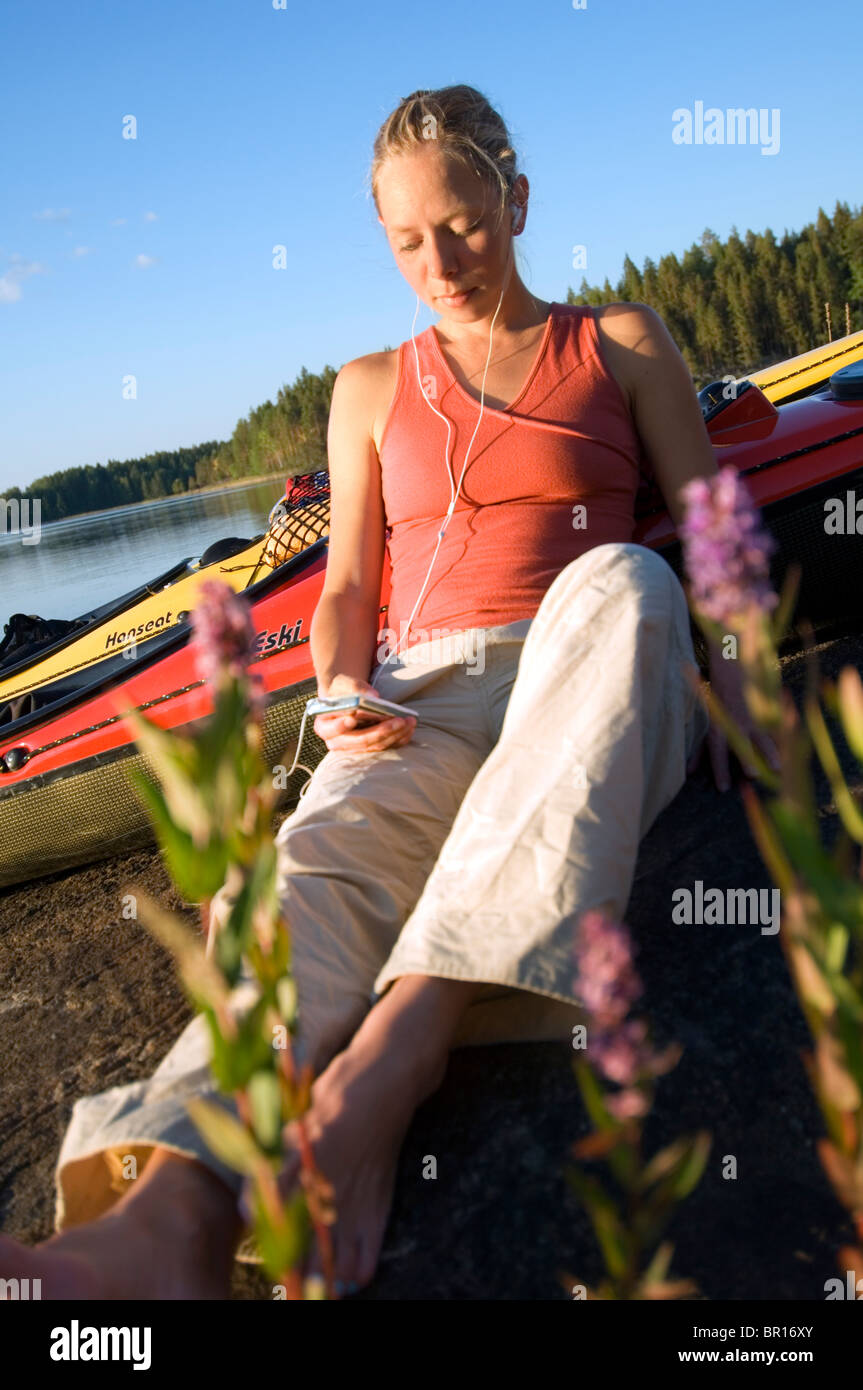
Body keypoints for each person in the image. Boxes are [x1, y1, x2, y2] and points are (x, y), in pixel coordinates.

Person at [0, 84, 773, 1300]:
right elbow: (348, 585)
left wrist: (740, 680)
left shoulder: (617, 343)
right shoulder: (368, 386)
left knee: (623, 575)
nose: (441, 263)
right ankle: (168, 1217)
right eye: (407, 240)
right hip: (417, 693)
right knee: (312, 880)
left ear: (515, 201)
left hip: (580, 675)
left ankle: (393, 1060)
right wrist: (340, 685)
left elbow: (713, 528)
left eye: (463, 224)